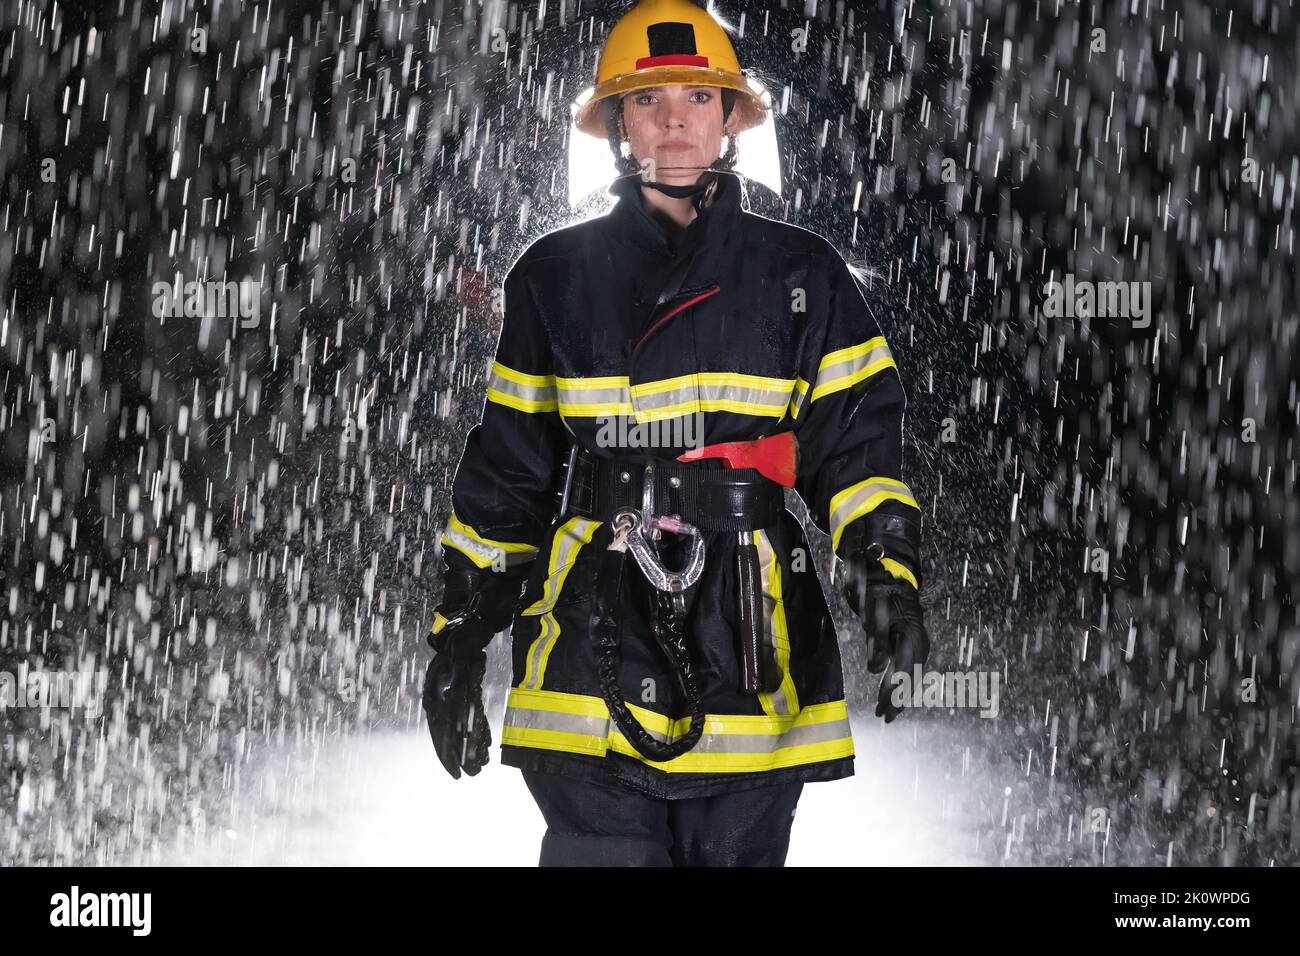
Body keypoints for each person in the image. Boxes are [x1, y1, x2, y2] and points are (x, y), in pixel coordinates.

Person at [423, 0, 930, 867]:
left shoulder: (801, 276)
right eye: (649, 98)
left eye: (698, 97)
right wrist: (460, 636)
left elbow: (856, 449)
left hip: (750, 631)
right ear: (618, 122)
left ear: (731, 117)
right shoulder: (552, 278)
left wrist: (886, 572)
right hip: (592, 630)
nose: (674, 120)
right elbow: (509, 476)